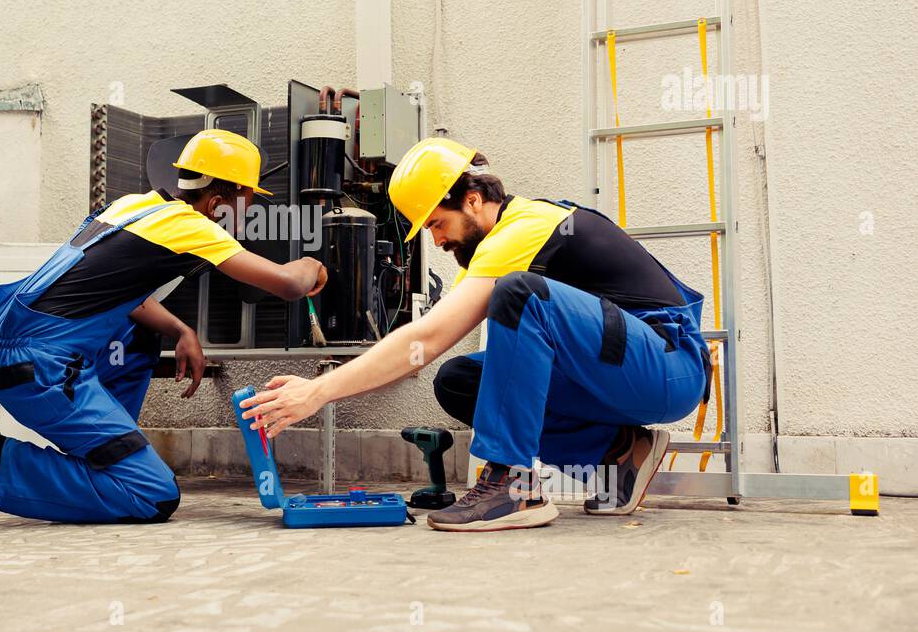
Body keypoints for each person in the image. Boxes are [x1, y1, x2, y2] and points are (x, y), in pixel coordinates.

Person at [241, 137, 709, 532]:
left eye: (438, 224)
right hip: (619, 373)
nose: (438, 241)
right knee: (461, 380)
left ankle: (515, 487)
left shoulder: (525, 228)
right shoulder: (501, 245)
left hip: (668, 367)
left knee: (521, 295)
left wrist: (319, 391)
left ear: (471, 199)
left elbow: (427, 337)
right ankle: (620, 453)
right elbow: (427, 339)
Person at [0, 129, 327, 526]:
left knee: (142, 336)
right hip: (43, 368)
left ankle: (106, 451)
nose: (244, 218)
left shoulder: (133, 206)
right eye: (245, 207)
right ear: (218, 203)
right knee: (152, 496)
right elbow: (288, 284)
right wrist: (313, 265)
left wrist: (183, 331)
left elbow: (119, 292)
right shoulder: (194, 227)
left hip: (16, 349)